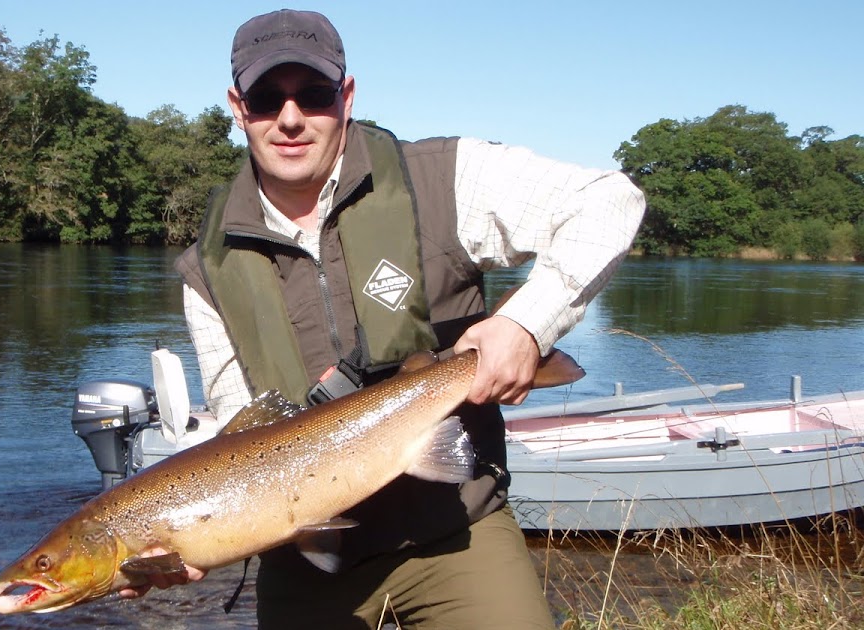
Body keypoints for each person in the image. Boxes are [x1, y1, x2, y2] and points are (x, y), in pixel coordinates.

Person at [124, 8, 645, 629]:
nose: (290, 118)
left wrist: (525, 325)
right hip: (308, 561)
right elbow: (239, 433)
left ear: (346, 96)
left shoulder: (441, 179)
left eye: (313, 94)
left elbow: (608, 199)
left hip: (454, 527)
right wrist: (197, 541)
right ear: (239, 107)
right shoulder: (206, 271)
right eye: (267, 98)